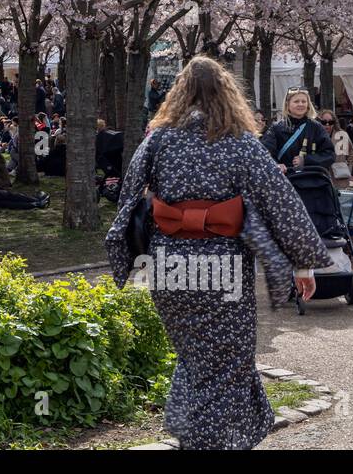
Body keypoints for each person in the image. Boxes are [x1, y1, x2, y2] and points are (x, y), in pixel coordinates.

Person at [103, 56, 330, 450]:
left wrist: (127, 257)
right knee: (227, 363)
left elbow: (126, 200)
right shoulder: (240, 143)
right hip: (220, 267)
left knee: (196, 359)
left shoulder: (158, 139)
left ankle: (196, 431)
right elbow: (281, 202)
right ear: (227, 93)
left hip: (169, 265)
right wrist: (303, 263)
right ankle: (210, 443)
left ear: (179, 92)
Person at [261, 89, 334, 175]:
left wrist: (306, 160)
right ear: (287, 105)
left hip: (312, 180)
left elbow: (330, 155)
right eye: (296, 101)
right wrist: (276, 164)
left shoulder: (316, 127)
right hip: (285, 180)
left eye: (304, 101)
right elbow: (264, 153)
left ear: (308, 105)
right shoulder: (276, 128)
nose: (300, 104)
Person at [316, 109, 353, 186]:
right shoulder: (315, 136)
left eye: (330, 122)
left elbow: (352, 154)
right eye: (324, 122)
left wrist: (348, 169)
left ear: (334, 123)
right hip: (321, 176)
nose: (327, 125)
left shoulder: (342, 135)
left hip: (340, 177)